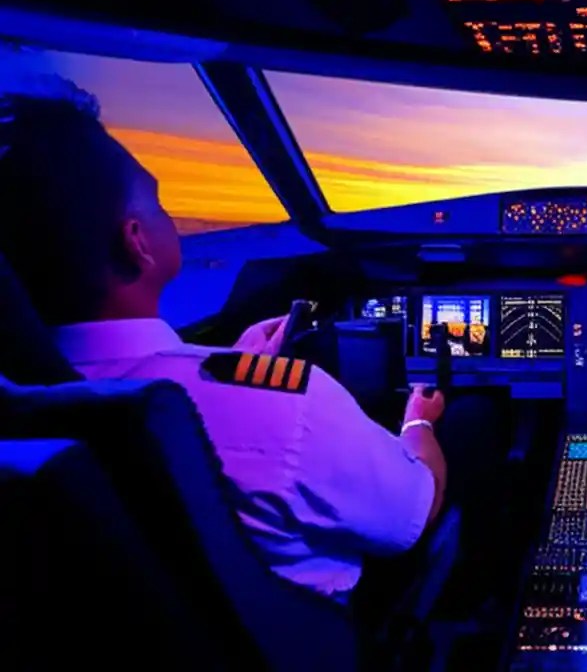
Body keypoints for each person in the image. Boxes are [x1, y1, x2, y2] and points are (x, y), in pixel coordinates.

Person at [0, 79, 479, 603]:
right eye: (159, 205)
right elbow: (416, 505)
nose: (172, 220)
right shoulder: (287, 408)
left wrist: (232, 363)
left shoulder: (21, 404)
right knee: (477, 420)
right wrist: (417, 422)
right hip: (316, 639)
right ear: (137, 242)